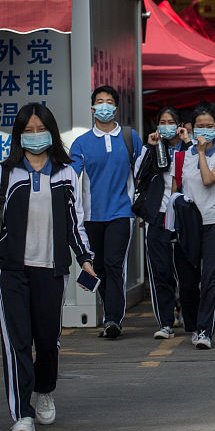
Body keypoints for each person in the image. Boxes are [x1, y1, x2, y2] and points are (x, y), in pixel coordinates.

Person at [0, 103, 96, 431]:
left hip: (52, 270)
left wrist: (85, 258)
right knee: (17, 341)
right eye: (28, 131)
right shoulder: (6, 172)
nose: (35, 136)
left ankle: (45, 391)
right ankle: (22, 411)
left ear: (51, 133)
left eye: (41, 130)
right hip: (11, 270)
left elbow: (76, 221)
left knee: (47, 340)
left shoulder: (66, 171)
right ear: (18, 136)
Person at [70, 84, 143, 338]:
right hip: (91, 215)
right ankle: (108, 314)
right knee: (98, 266)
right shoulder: (81, 143)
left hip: (121, 213)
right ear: (92, 108)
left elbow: (142, 171)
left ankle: (113, 319)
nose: (104, 106)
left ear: (116, 107)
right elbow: (71, 177)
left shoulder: (129, 137)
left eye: (109, 101)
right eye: (99, 101)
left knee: (114, 264)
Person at [170, 101, 215, 349]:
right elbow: (177, 190)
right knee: (187, 280)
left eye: (209, 126)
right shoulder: (182, 156)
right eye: (199, 126)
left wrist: (203, 153)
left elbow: (209, 180)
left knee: (211, 278)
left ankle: (206, 330)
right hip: (188, 226)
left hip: (214, 222)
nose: (204, 131)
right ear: (191, 128)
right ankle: (194, 324)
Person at [136, 106, 183, 338]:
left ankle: (187, 313)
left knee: (185, 270)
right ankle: (165, 321)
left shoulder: (190, 147)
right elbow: (139, 174)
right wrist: (150, 147)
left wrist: (188, 143)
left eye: (171, 121)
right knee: (159, 270)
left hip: (184, 217)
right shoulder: (151, 148)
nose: (166, 126)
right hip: (158, 215)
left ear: (180, 125)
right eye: (162, 122)